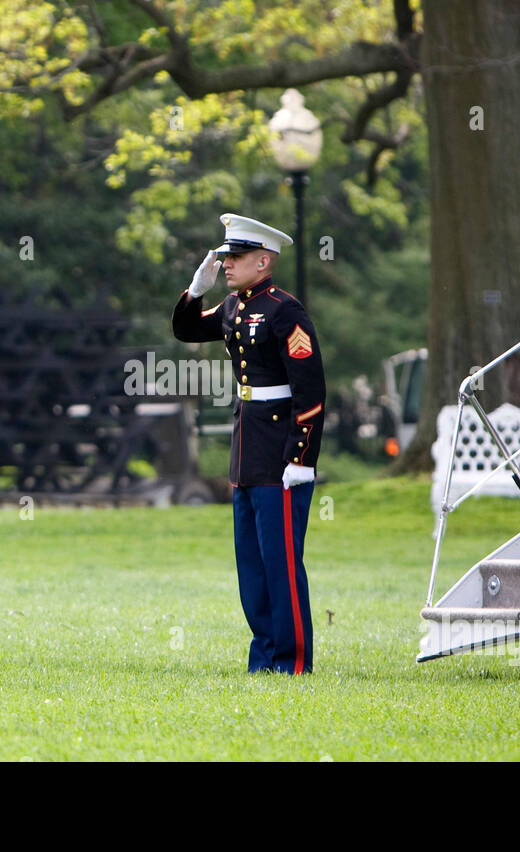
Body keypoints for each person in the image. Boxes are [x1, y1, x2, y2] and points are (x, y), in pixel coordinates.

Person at [172, 213, 326, 674]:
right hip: (247, 447)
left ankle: (292, 661)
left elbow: (311, 391)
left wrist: (301, 457)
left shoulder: (285, 310)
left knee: (280, 563)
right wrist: (195, 291)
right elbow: (185, 329)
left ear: (264, 260)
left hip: (280, 450)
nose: (226, 264)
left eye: (234, 257)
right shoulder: (234, 306)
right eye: (224, 257)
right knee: (252, 566)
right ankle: (263, 658)